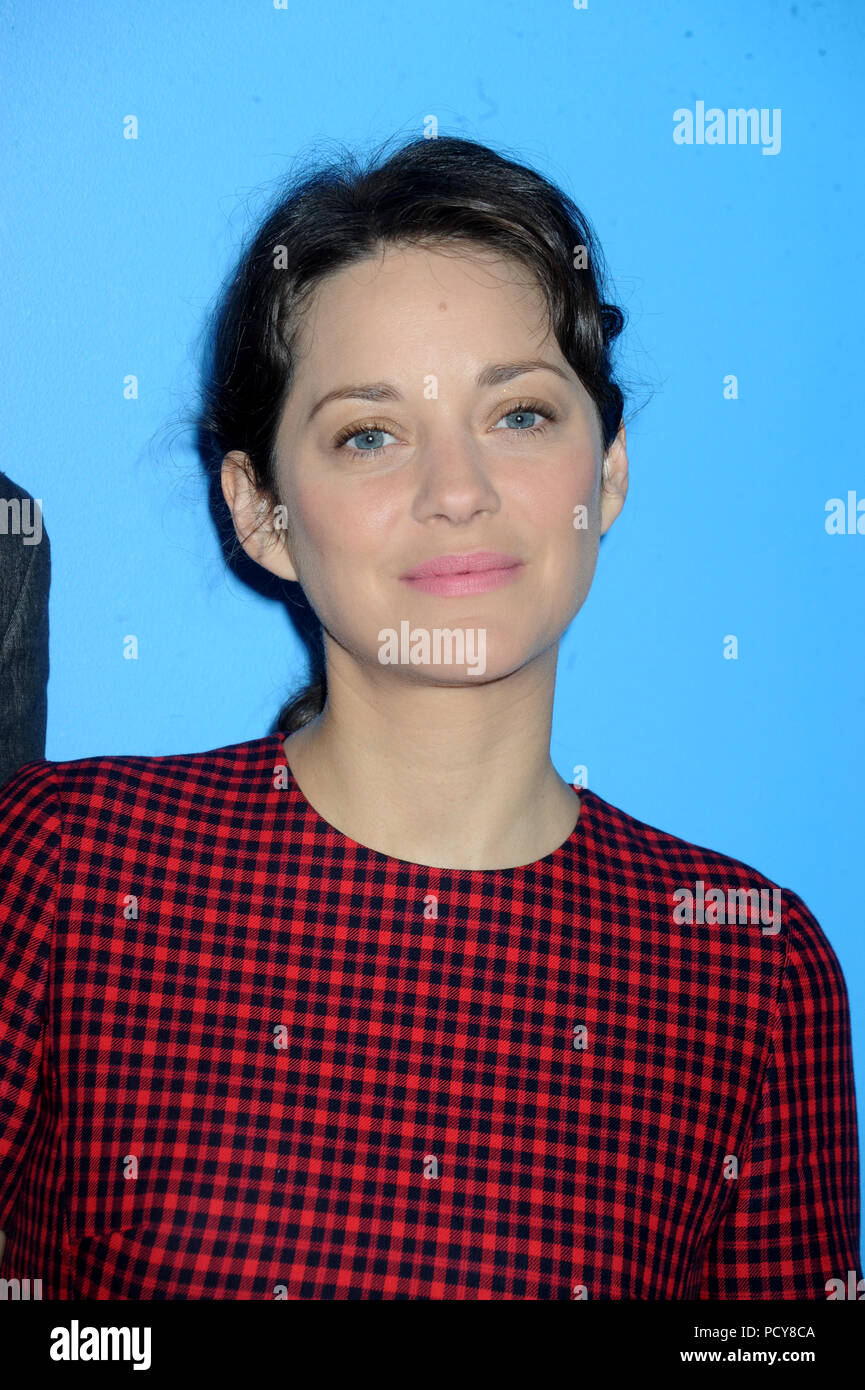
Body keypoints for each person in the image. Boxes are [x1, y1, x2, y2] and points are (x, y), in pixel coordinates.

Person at [0, 134, 859, 1299]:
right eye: (370, 433)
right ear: (261, 513)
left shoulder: (749, 969)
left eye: (518, 415)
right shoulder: (64, 864)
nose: (456, 489)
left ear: (604, 474)